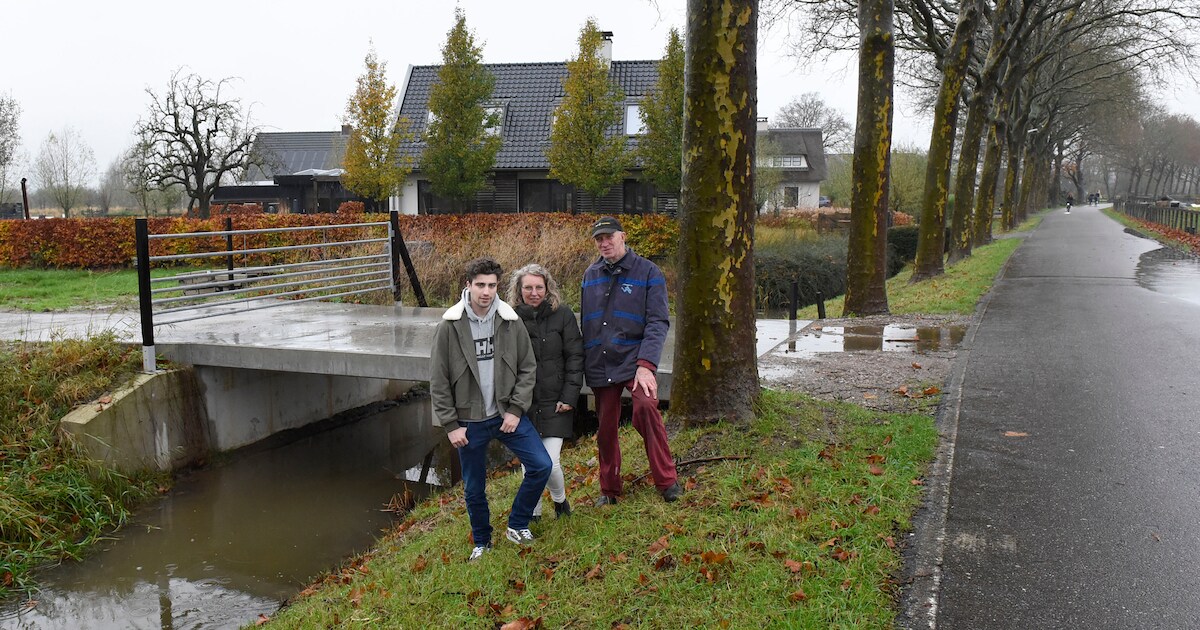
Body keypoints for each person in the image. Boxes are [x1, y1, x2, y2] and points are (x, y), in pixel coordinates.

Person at [429, 256, 551, 561]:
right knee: (473, 489)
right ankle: (482, 542)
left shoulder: (510, 321)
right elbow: (438, 380)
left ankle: (517, 523)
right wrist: (450, 425)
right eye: (480, 285)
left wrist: (516, 409)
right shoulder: (450, 326)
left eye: (492, 285)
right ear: (468, 285)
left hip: (505, 414)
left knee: (541, 465)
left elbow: (527, 368)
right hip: (468, 422)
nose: (486, 292)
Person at [581, 216, 682, 506]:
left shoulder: (649, 272)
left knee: (646, 408)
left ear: (623, 236)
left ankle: (667, 481)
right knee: (606, 429)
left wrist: (646, 365)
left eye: (609, 237)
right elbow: (588, 323)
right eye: (599, 239)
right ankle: (609, 490)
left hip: (635, 360)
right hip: (600, 362)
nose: (604, 243)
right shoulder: (590, 275)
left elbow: (658, 322)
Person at [507, 263, 584, 520]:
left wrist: (569, 396)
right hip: (523, 404)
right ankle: (534, 511)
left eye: (539, 287)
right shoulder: (509, 317)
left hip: (555, 402)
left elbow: (575, 356)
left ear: (547, 288)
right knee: (531, 464)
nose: (534, 292)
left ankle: (560, 501)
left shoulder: (563, 315)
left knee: (550, 462)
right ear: (519, 289)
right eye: (528, 287)